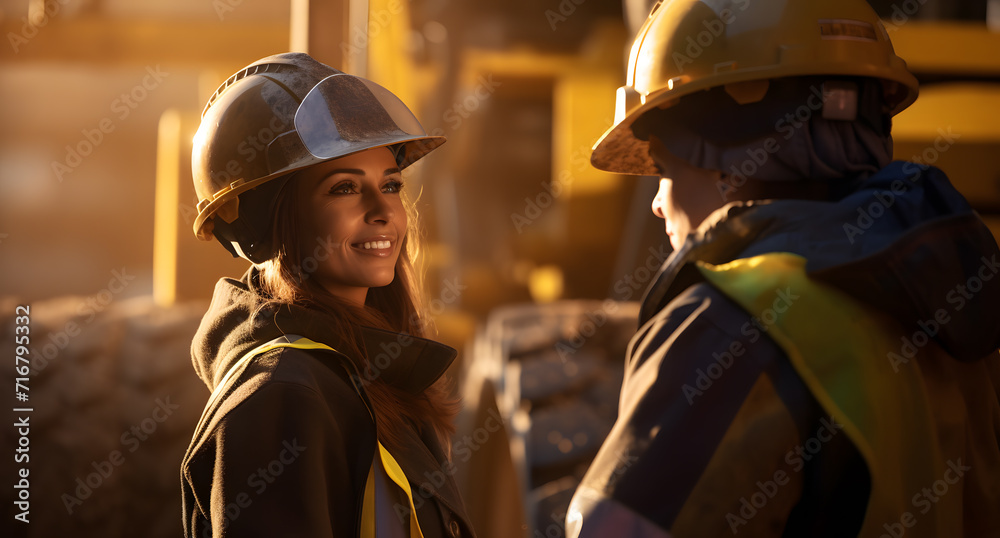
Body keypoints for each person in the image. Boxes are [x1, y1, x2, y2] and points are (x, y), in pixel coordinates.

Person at [567, 1, 1000, 536]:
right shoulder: (952, 316)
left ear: (728, 161)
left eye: (663, 166)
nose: (657, 202)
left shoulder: (730, 323)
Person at [180, 52, 475, 538]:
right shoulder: (281, 396)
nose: (384, 210)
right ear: (268, 221)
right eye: (344, 188)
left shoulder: (361, 376)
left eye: (392, 184)